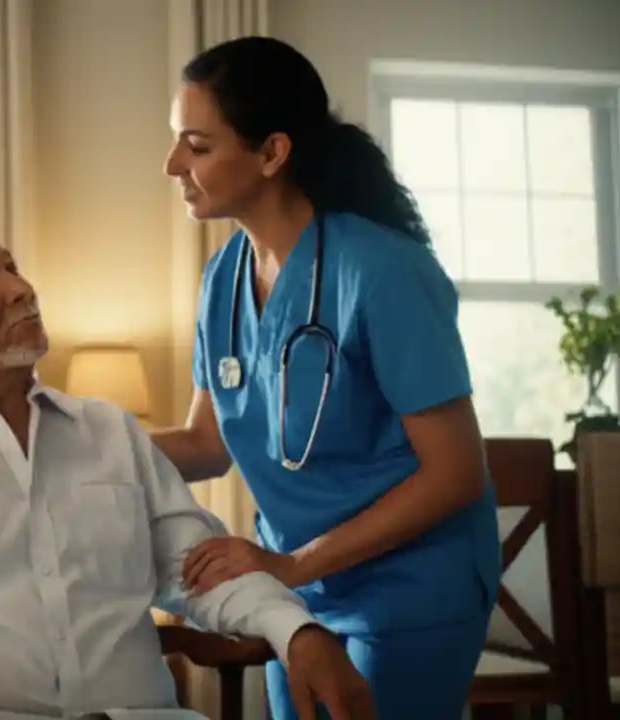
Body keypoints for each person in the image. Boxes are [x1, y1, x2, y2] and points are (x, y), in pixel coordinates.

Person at [0, 221, 375, 720]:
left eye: (13, 268)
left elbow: (200, 566)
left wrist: (297, 630)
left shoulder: (110, 431)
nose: (19, 288)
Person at [154, 37, 502, 720]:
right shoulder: (223, 277)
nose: (172, 165)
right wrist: (74, 437)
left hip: (408, 588)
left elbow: (455, 472)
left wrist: (292, 566)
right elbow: (207, 442)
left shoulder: (381, 270)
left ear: (272, 152)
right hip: (300, 593)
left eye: (196, 146)